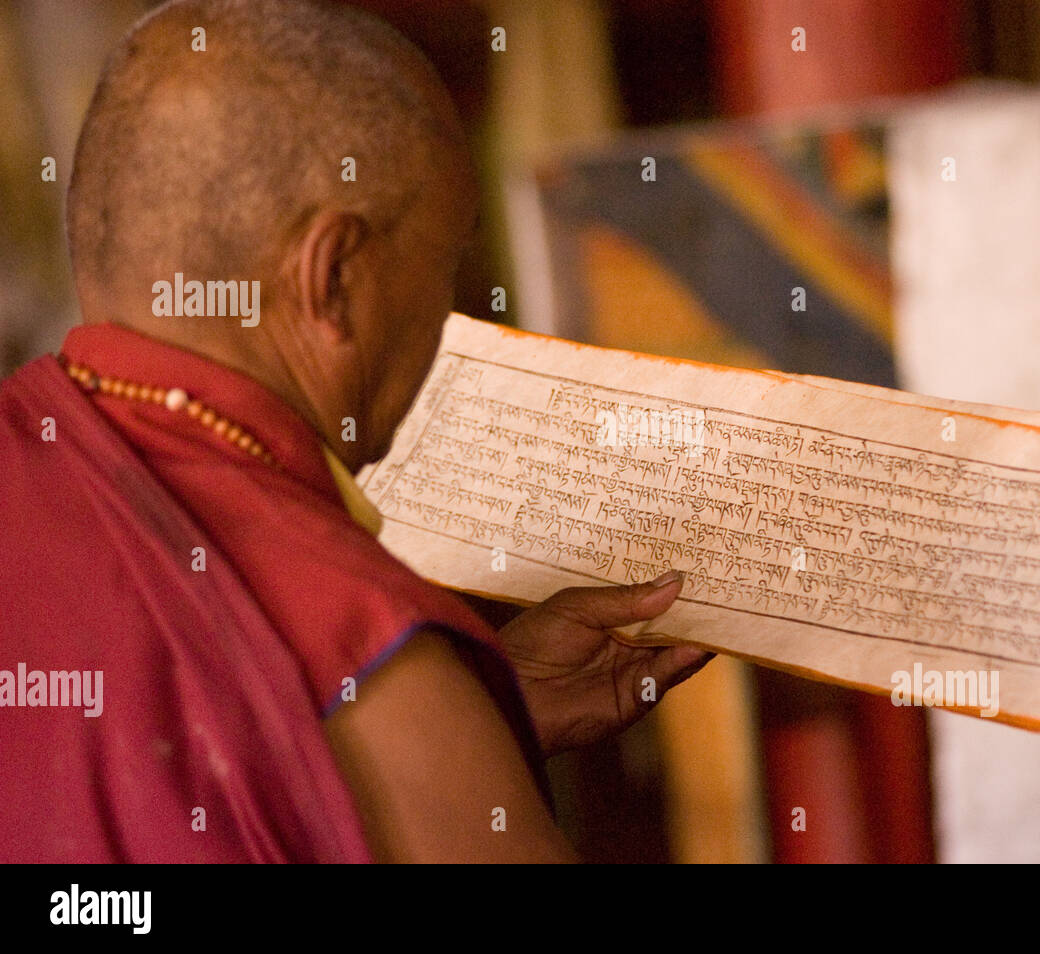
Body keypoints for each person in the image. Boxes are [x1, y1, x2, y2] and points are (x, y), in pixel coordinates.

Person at [0, 0, 710, 862]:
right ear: (332, 278)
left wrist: (478, 708)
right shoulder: (368, 652)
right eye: (446, 265)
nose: (447, 323)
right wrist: (431, 723)